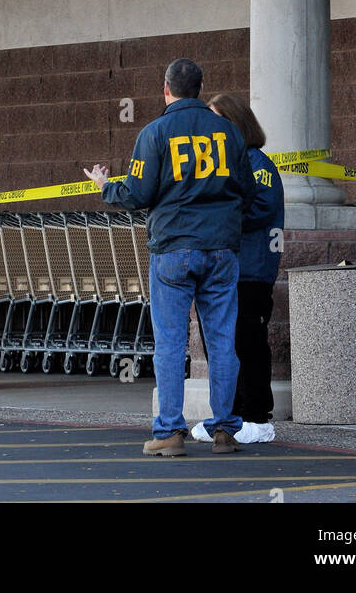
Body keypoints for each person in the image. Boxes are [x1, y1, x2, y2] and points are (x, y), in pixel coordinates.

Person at [85, 58, 258, 457]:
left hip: (173, 250)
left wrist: (105, 187)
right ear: (199, 88)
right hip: (221, 250)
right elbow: (248, 193)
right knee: (221, 340)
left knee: (170, 341)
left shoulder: (155, 132)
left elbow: (137, 194)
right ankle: (225, 430)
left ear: (166, 88)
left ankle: (169, 432)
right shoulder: (230, 133)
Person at [191, 93, 284, 445]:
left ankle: (256, 416)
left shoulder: (256, 162)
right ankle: (227, 414)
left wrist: (215, 213)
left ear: (236, 123)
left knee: (248, 342)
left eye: (219, 123)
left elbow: (260, 209)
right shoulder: (227, 164)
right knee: (221, 346)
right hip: (222, 270)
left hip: (251, 270)